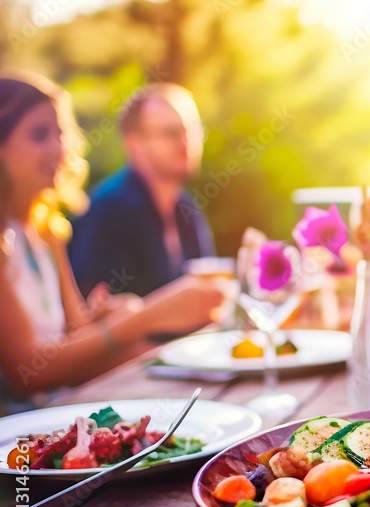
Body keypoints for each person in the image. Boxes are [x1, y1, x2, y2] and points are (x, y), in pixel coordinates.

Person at [0, 71, 225, 411]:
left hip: (67, 406)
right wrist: (147, 316)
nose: (58, 148)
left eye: (61, 133)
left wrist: (114, 316)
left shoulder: (46, 230)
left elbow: (72, 334)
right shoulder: (9, 241)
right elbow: (27, 373)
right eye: (39, 134)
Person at [69, 83, 215, 297]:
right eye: (172, 132)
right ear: (134, 143)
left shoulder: (186, 208)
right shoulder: (111, 209)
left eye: (193, 130)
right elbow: (90, 305)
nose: (187, 141)